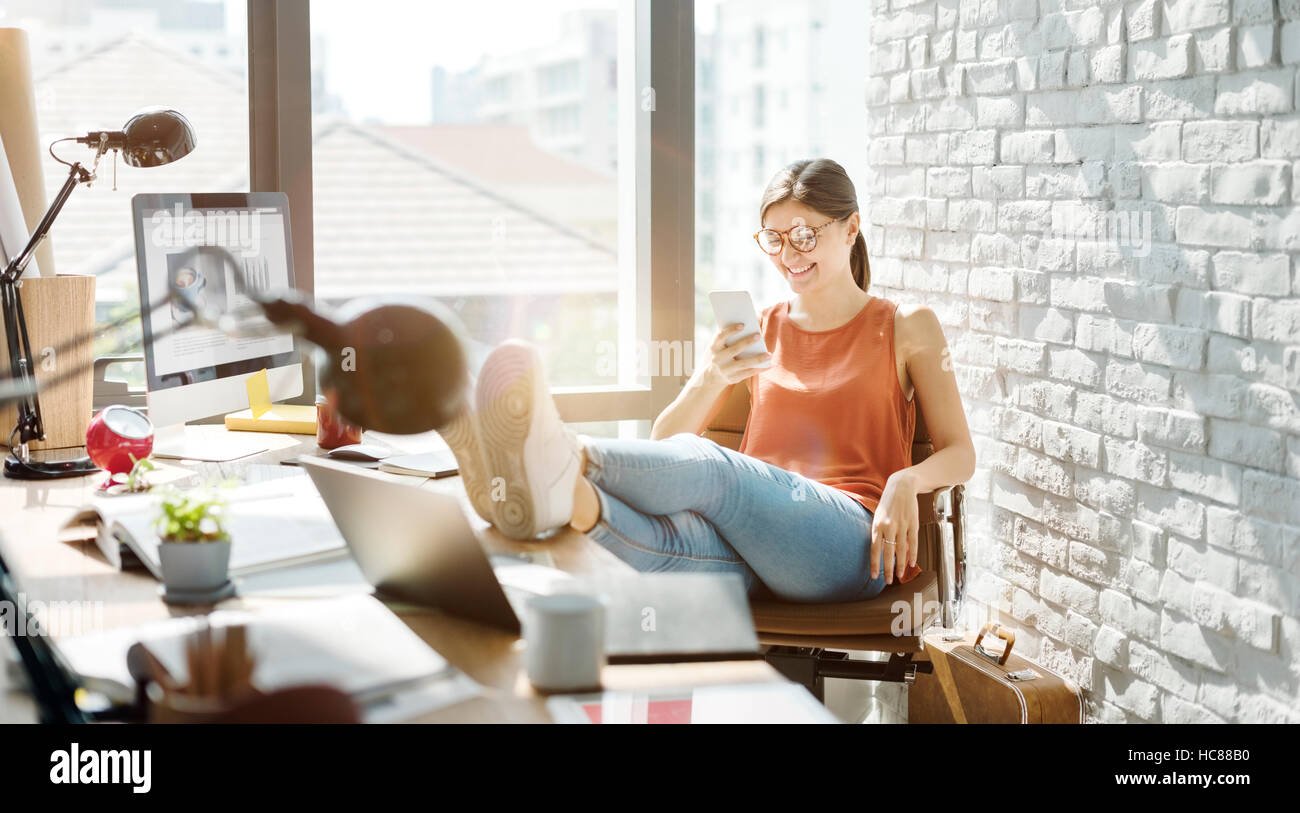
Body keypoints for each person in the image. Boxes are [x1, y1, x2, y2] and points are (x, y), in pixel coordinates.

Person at [439, 158, 975, 603]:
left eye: (806, 236)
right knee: (660, 541)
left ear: (851, 228)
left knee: (720, 470)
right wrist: (709, 376)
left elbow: (961, 454)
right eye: (774, 238)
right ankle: (539, 493)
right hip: (745, 546)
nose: (788, 255)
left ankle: (555, 455)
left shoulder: (907, 327)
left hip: (849, 544)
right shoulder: (760, 328)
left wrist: (907, 480)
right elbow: (664, 443)